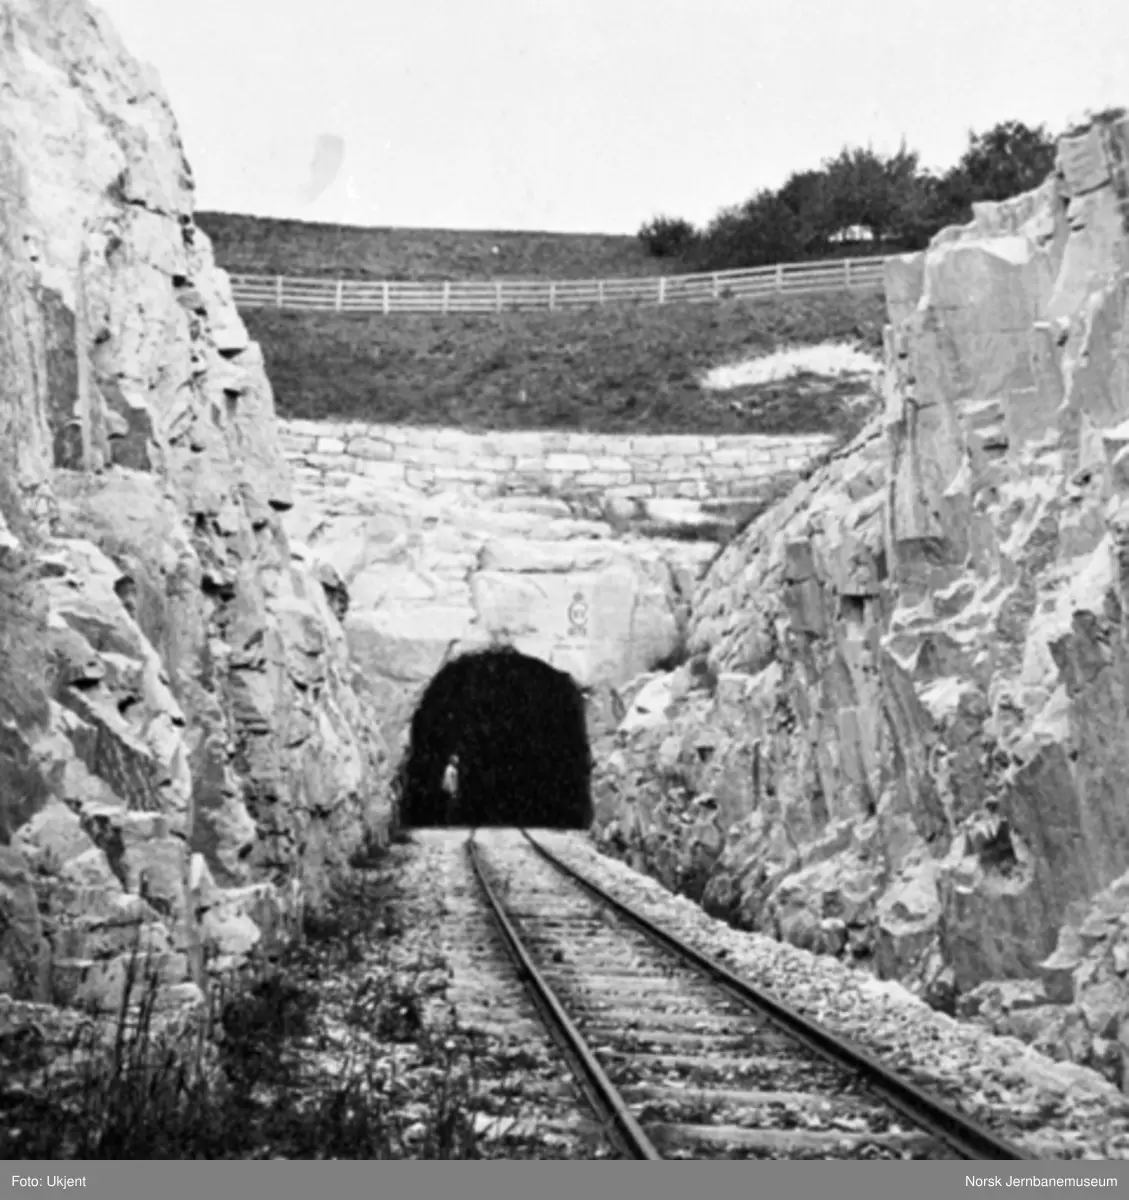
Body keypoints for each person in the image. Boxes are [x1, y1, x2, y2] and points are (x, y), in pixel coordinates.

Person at [441, 753, 460, 824]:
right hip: (449, 790)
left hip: (453, 789)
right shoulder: (449, 769)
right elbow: (448, 780)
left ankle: (451, 821)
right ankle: (448, 821)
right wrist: (452, 791)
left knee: (453, 806)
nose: (457, 761)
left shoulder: (454, 769)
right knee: (450, 807)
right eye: (456, 759)